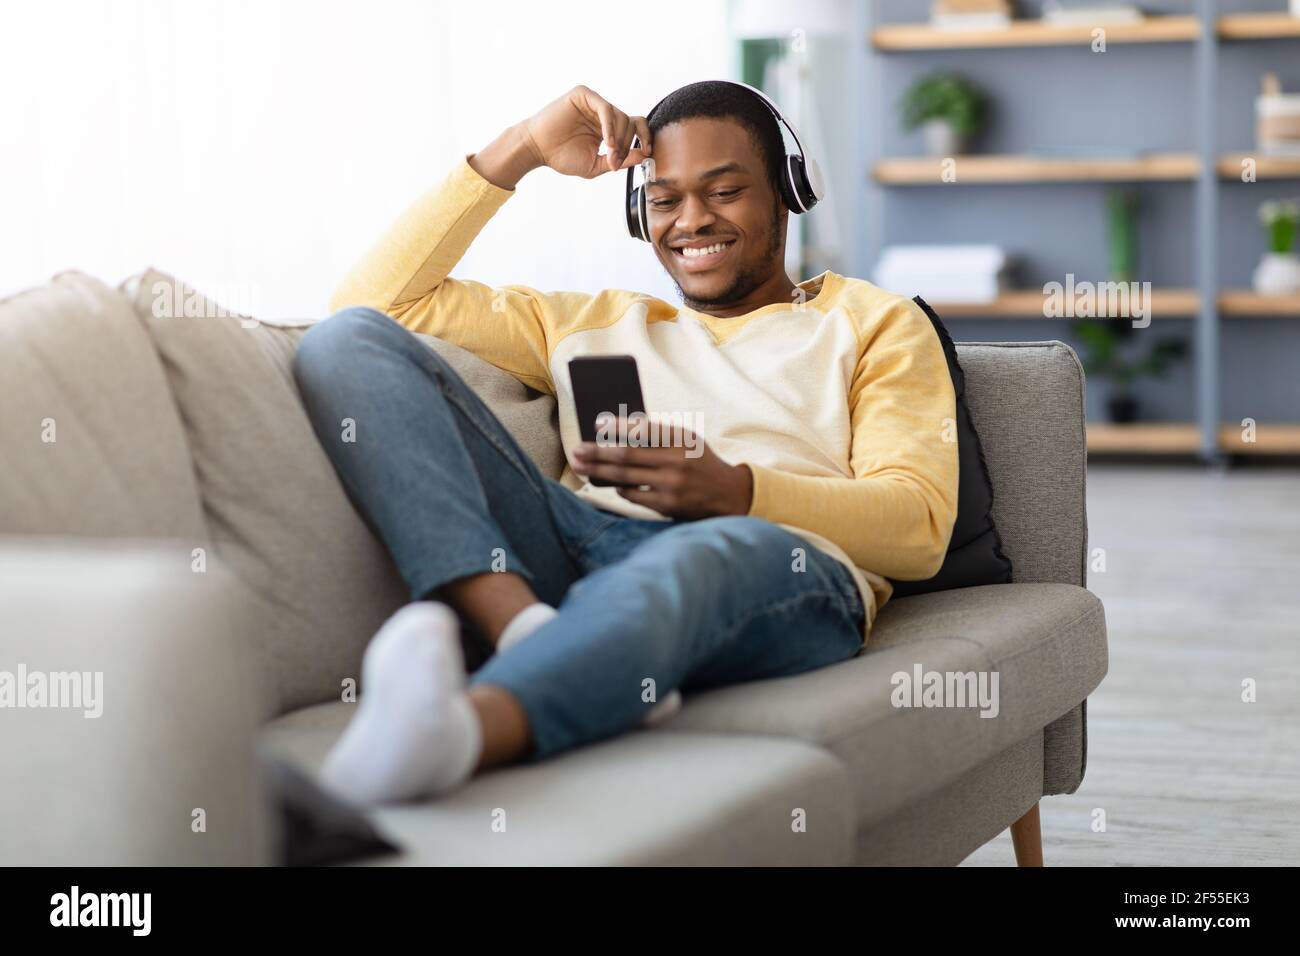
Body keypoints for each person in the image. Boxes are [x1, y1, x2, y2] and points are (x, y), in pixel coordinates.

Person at [292, 81, 959, 806]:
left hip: (774, 561)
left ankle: (459, 734)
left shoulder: (872, 322)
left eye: (726, 190)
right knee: (345, 342)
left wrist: (737, 493)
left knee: (706, 549)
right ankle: (522, 627)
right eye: (665, 199)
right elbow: (374, 304)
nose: (692, 220)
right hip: (579, 546)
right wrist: (521, 148)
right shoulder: (591, 321)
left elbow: (919, 527)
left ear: (787, 193)